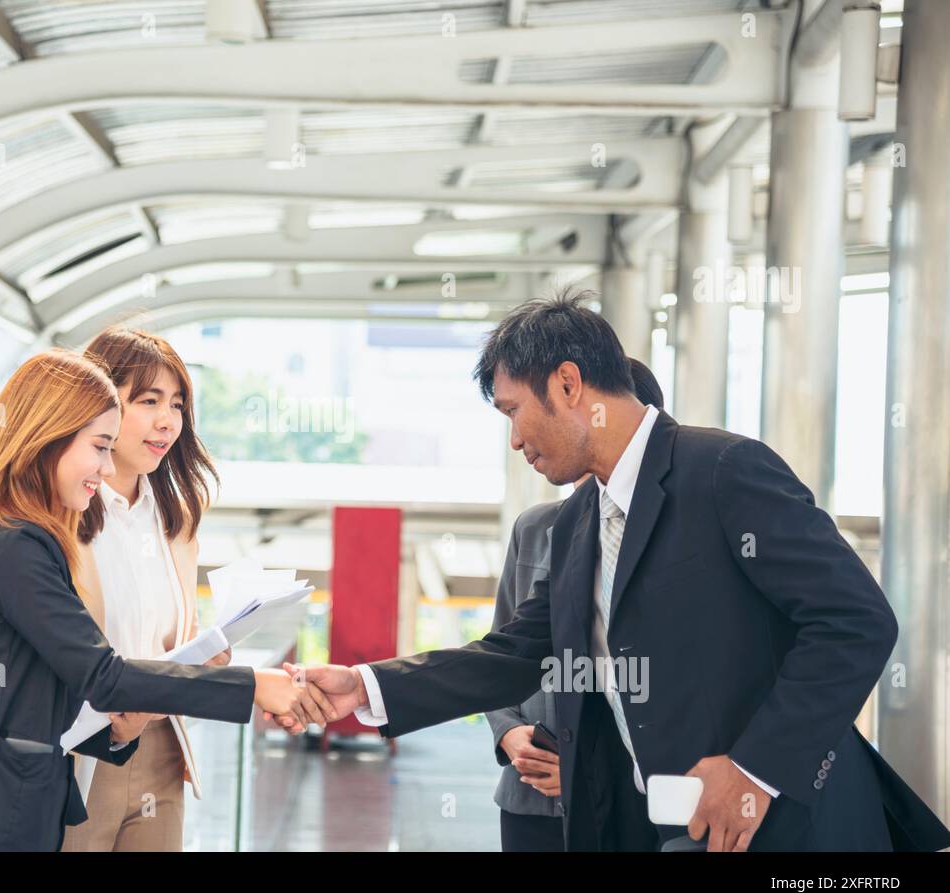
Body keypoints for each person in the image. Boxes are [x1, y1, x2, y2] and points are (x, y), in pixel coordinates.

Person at [279, 289, 950, 853]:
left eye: (514, 411)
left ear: (568, 384)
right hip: (656, 827)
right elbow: (512, 656)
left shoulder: (722, 471)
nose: (514, 440)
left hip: (783, 825)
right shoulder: (577, 526)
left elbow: (856, 620)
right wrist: (364, 685)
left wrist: (754, 768)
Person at [0, 349, 328, 852]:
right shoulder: (14, 546)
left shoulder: (20, 538)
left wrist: (114, 731)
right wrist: (251, 687)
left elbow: (45, 693)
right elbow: (102, 675)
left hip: (8, 814)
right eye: (100, 446)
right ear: (48, 437)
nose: (107, 467)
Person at [489, 357, 664, 852]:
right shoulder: (542, 529)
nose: (520, 442)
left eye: (516, 413)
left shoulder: (680, 520)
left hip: (627, 797)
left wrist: (590, 766)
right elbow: (504, 649)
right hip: (529, 795)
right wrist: (509, 735)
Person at [61, 328, 224, 852]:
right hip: (81, 755)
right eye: (148, 400)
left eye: (176, 404)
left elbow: (176, 633)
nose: (167, 421)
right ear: (100, 406)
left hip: (161, 748)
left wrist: (208, 653)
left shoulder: (176, 517)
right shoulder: (62, 515)